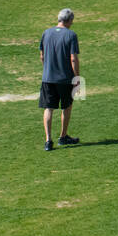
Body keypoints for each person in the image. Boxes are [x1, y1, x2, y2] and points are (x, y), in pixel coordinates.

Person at [40, 8, 81, 151]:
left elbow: (42, 56)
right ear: (69, 20)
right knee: (67, 106)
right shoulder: (71, 35)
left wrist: (48, 70)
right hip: (65, 79)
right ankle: (63, 137)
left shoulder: (46, 33)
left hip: (48, 78)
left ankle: (48, 141)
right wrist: (77, 78)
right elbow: (73, 59)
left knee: (49, 108)